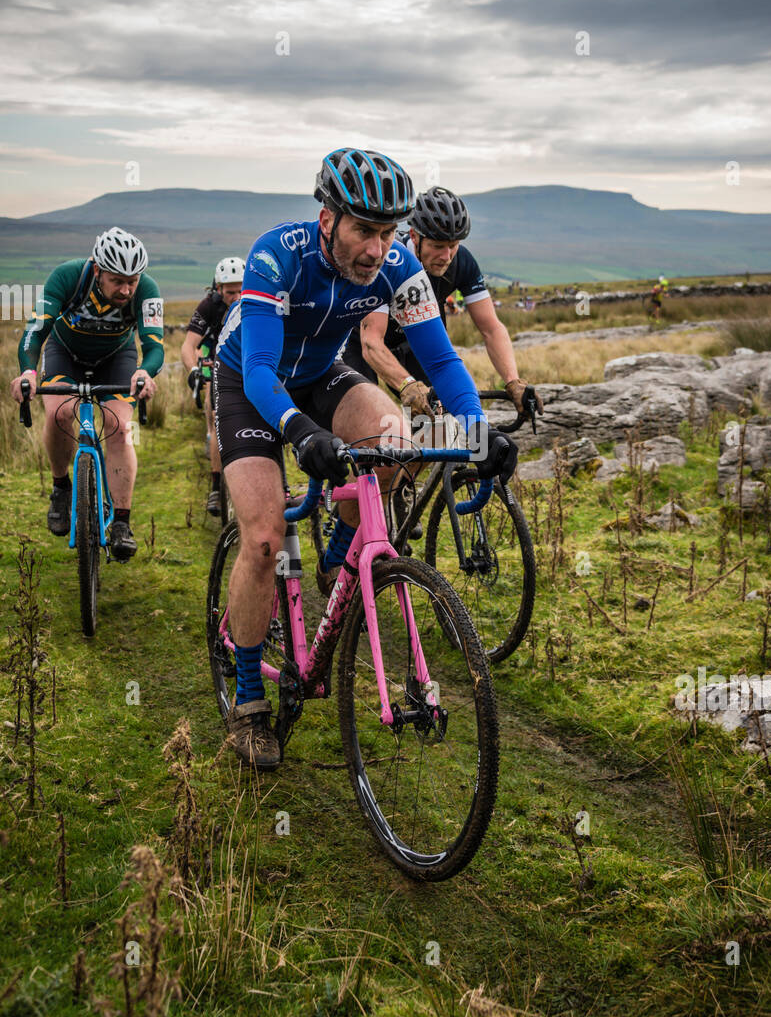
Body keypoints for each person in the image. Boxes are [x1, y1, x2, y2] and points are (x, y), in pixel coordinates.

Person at [212, 149, 517, 772]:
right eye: (363, 231)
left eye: (385, 232)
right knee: (267, 538)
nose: (377, 249)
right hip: (251, 384)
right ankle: (247, 701)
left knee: (395, 439)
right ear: (328, 219)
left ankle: (338, 559)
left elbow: (442, 362)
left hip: (325, 374)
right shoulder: (278, 254)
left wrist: (481, 434)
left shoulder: (399, 268)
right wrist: (300, 432)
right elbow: (266, 370)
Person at [10, 228, 162, 560]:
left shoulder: (147, 290)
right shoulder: (68, 277)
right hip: (65, 353)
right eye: (116, 281)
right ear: (97, 271)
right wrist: (28, 372)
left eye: (131, 281)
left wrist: (145, 373)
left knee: (119, 428)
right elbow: (36, 331)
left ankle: (121, 522)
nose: (125, 290)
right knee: (59, 413)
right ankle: (61, 487)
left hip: (117, 360)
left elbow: (154, 346)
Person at [341, 186, 543, 428]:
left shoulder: (462, 261)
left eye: (453, 245)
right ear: (414, 236)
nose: (447, 256)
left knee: (439, 426)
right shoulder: (389, 261)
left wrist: (513, 381)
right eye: (437, 246)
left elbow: (491, 328)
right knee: (366, 426)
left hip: (414, 340)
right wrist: (406, 384)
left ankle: (422, 459)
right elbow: (371, 342)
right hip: (358, 341)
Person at [180, 257, 245, 515]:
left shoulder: (253, 300)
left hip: (245, 361)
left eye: (241, 290)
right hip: (216, 361)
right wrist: (194, 371)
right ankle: (216, 488)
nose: (237, 296)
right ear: (218, 289)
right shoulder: (209, 306)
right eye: (230, 292)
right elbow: (188, 346)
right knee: (218, 419)